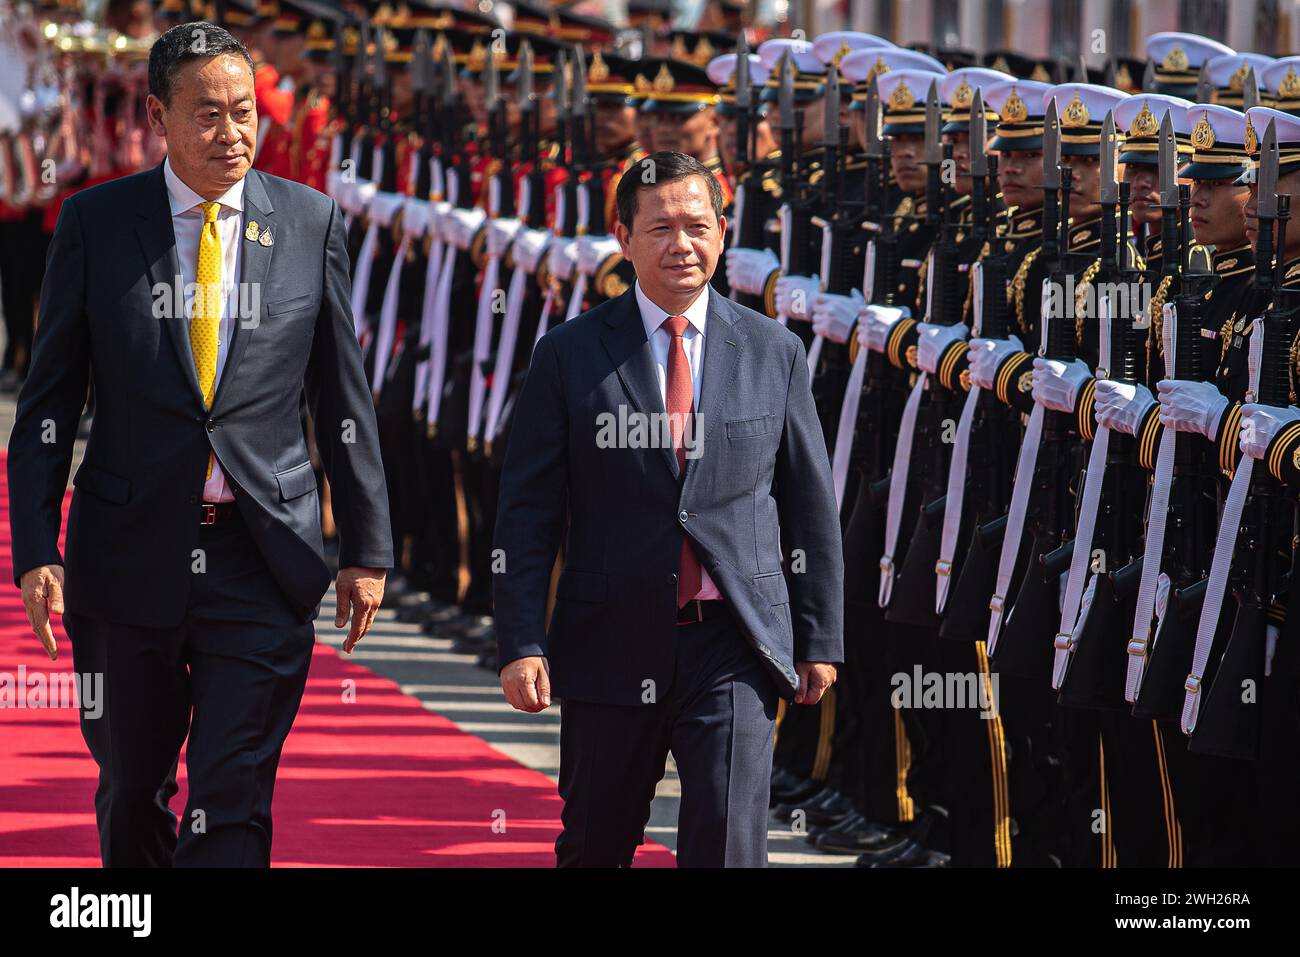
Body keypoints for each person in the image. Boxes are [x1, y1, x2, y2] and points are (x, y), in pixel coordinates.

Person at [7, 19, 393, 868]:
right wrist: (36, 545)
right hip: (127, 557)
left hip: (262, 554)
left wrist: (366, 545)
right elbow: (48, 403)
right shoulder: (96, 225)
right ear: (158, 115)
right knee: (132, 791)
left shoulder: (309, 221)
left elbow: (343, 396)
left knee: (234, 797)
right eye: (209, 114)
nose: (233, 134)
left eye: (245, 112)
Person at [492, 150, 844, 867]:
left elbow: (809, 502)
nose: (680, 244)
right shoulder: (570, 354)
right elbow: (527, 512)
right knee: (596, 839)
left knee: (726, 843)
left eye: (697, 225)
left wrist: (819, 637)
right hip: (609, 638)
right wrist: (522, 639)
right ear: (623, 238)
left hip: (734, 640)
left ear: (723, 232)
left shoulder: (774, 350)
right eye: (659, 228)